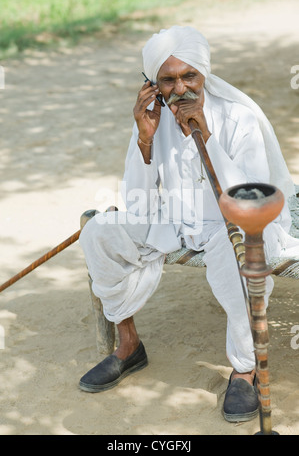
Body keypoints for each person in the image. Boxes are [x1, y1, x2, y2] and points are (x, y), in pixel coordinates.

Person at [78, 26, 297, 423]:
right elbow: (136, 202)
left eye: (189, 76)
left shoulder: (238, 118)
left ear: (204, 74)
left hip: (232, 225)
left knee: (240, 257)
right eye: (168, 79)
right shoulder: (151, 119)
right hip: (173, 221)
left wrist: (207, 137)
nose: (181, 88)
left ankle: (245, 371)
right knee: (100, 232)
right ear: (153, 84)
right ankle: (128, 346)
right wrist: (145, 140)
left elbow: (252, 199)